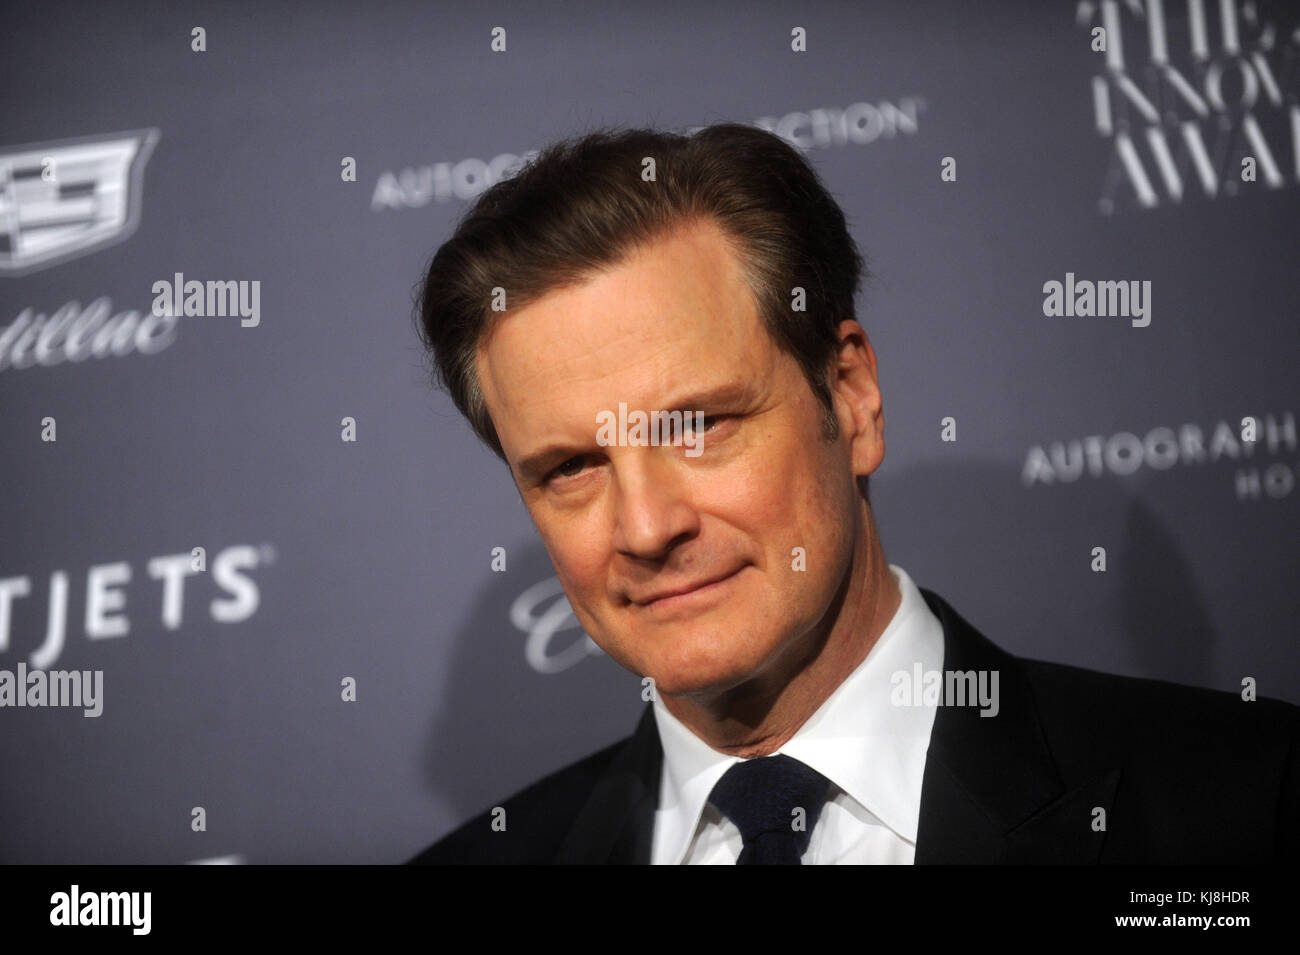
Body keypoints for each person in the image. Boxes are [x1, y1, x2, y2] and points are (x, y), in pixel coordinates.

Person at [408, 124, 1298, 864]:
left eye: (699, 426)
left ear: (852, 399)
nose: (645, 527)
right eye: (571, 467)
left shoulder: (1242, 803)